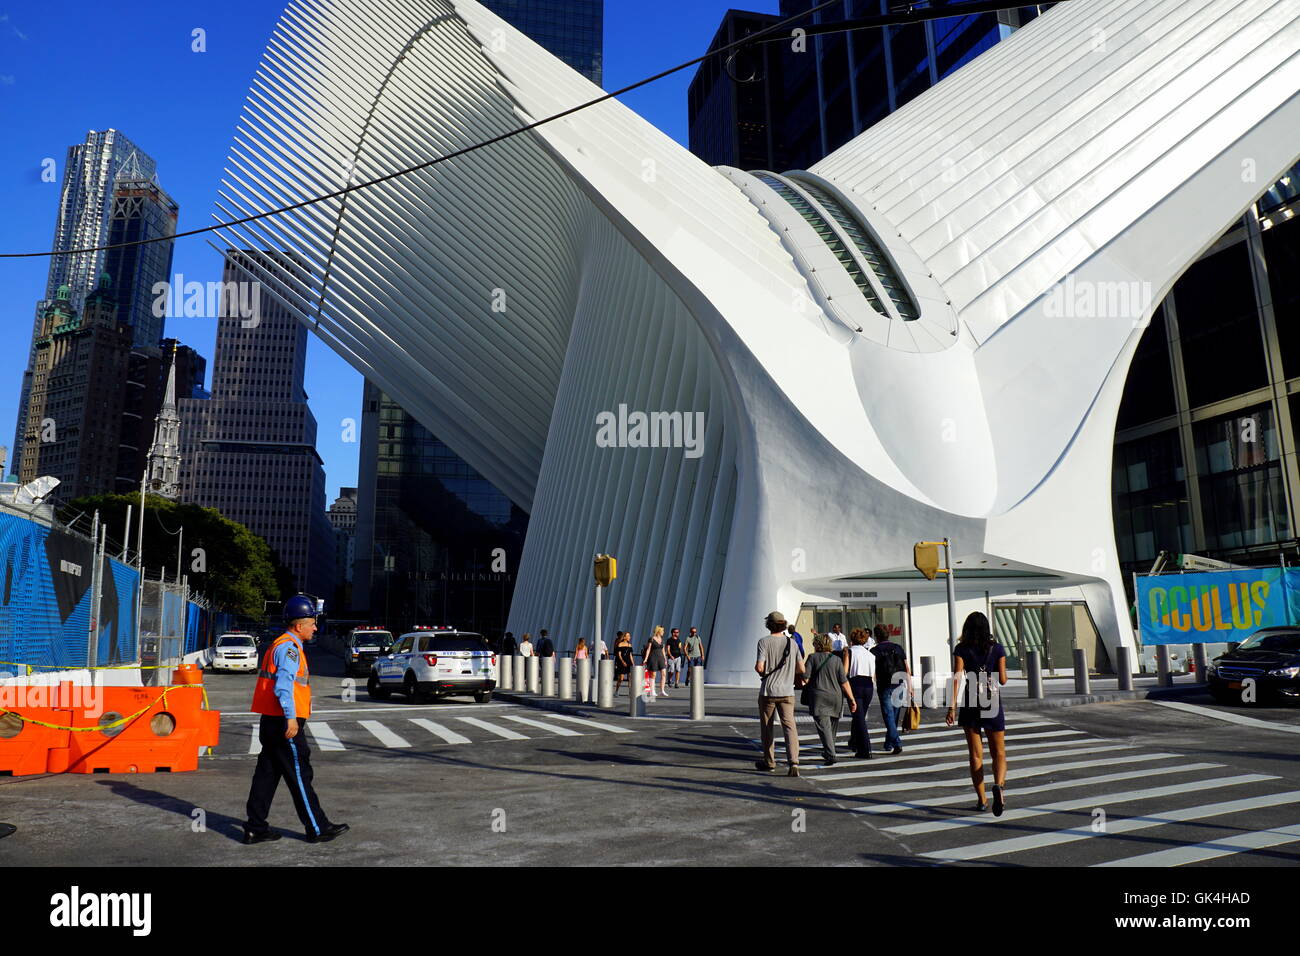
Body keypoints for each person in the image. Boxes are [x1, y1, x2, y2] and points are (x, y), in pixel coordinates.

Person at [243, 594, 349, 845]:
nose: (315, 627)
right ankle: (317, 827)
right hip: (283, 722)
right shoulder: (289, 648)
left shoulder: (282, 645)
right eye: (312, 622)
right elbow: (283, 687)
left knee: (267, 775)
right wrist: (291, 719)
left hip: (271, 720)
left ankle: (255, 827)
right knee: (300, 774)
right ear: (298, 625)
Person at [946, 611, 1009, 815]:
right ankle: (998, 785)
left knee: (975, 754)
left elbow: (957, 677)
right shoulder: (997, 648)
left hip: (971, 698)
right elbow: (1004, 679)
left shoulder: (961, 649)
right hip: (991, 699)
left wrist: (951, 707)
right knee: (998, 751)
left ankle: (982, 800)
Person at [755, 610, 805, 777]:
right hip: (787, 691)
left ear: (769, 625)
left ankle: (769, 761)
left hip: (769, 690)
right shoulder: (793, 643)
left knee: (767, 727)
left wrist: (762, 672)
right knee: (790, 727)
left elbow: (760, 667)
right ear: (783, 625)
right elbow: (801, 669)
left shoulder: (764, 642)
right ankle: (794, 762)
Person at [803, 633, 856, 766]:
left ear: (817, 644)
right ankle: (828, 751)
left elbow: (805, 678)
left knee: (824, 727)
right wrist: (851, 699)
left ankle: (831, 754)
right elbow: (844, 681)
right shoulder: (836, 659)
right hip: (836, 697)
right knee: (832, 727)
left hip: (819, 697)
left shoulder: (812, 657)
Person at [871, 623, 912, 755]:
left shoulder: (874, 651)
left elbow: (873, 672)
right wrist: (910, 686)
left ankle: (896, 742)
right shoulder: (898, 648)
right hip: (899, 683)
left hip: (884, 685)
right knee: (894, 715)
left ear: (876, 636)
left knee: (888, 715)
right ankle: (889, 743)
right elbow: (907, 669)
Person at [845, 628, 876, 759]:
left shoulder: (849, 652)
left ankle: (865, 748)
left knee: (858, 716)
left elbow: (844, 671)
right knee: (859, 715)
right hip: (868, 684)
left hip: (855, 683)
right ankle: (854, 741)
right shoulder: (870, 654)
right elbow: (874, 675)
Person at [643, 625, 668, 697]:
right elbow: (648, 649)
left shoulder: (662, 640)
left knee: (664, 674)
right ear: (659, 631)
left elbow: (663, 651)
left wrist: (665, 659)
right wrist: (646, 659)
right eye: (662, 630)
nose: (663, 632)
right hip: (653, 658)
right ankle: (652, 691)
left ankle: (662, 690)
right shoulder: (651, 639)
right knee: (653, 675)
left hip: (661, 658)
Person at [613, 632, 634, 696]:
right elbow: (619, 655)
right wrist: (622, 662)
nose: (629, 637)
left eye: (629, 636)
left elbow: (630, 655)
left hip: (628, 662)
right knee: (621, 678)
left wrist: (633, 663)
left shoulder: (629, 645)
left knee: (630, 677)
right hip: (621, 662)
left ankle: (630, 692)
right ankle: (616, 691)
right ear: (624, 637)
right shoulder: (620, 644)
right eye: (628, 636)